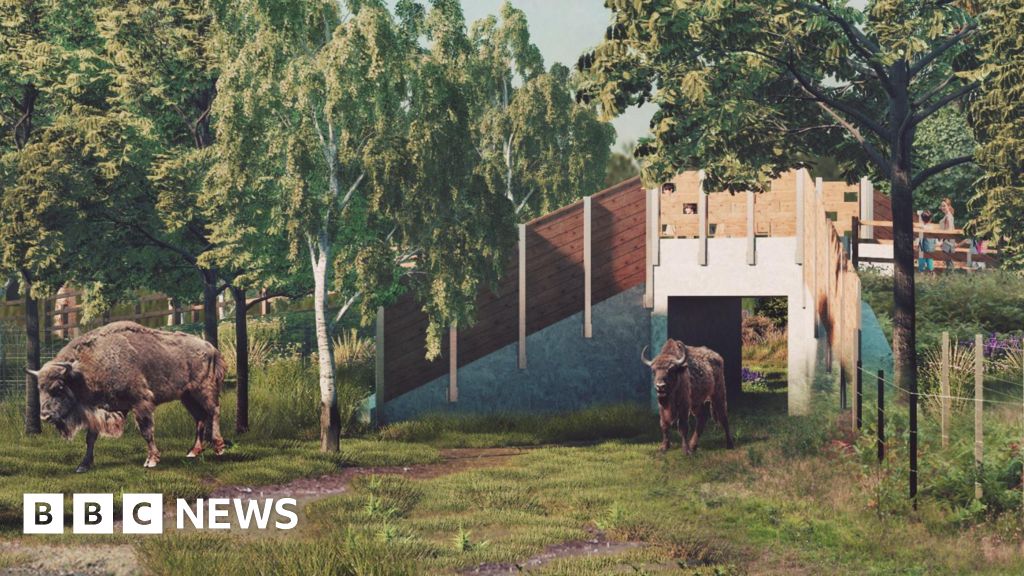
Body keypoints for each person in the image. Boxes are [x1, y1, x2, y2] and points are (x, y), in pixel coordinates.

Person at [938, 198, 957, 271]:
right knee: (948, 261)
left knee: (949, 261)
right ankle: (950, 274)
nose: (943, 208)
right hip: (947, 240)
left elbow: (949, 230)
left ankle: (951, 274)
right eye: (942, 206)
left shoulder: (949, 216)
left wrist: (942, 241)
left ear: (948, 206)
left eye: (944, 206)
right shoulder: (947, 215)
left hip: (948, 240)